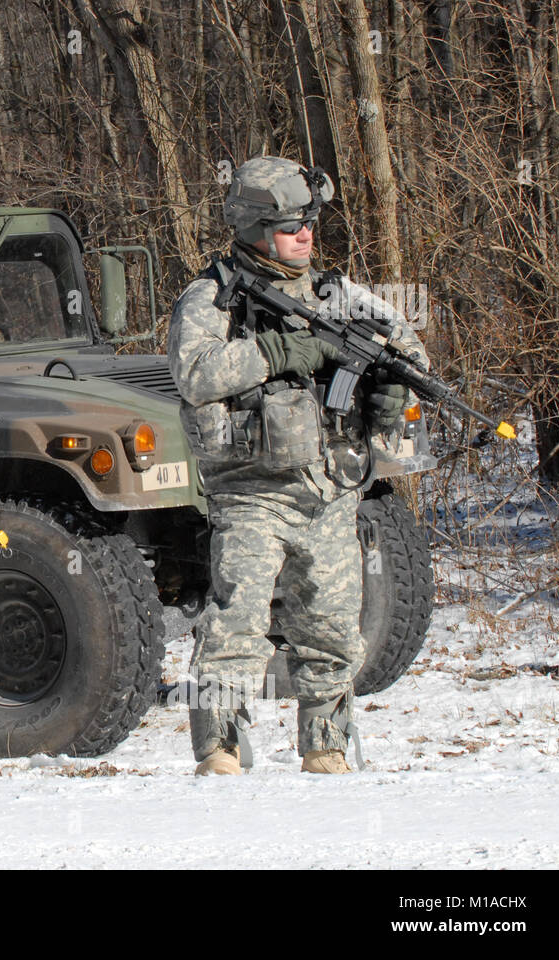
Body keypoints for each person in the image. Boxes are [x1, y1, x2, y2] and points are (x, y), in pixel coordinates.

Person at [168, 156, 428, 776]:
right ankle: (219, 748)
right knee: (236, 625)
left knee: (333, 629)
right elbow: (195, 372)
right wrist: (278, 350)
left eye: (309, 223)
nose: (305, 235)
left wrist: (393, 393)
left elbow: (409, 352)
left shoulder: (338, 295)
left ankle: (327, 746)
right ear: (256, 230)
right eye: (289, 226)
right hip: (251, 492)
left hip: (331, 487)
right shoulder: (214, 295)